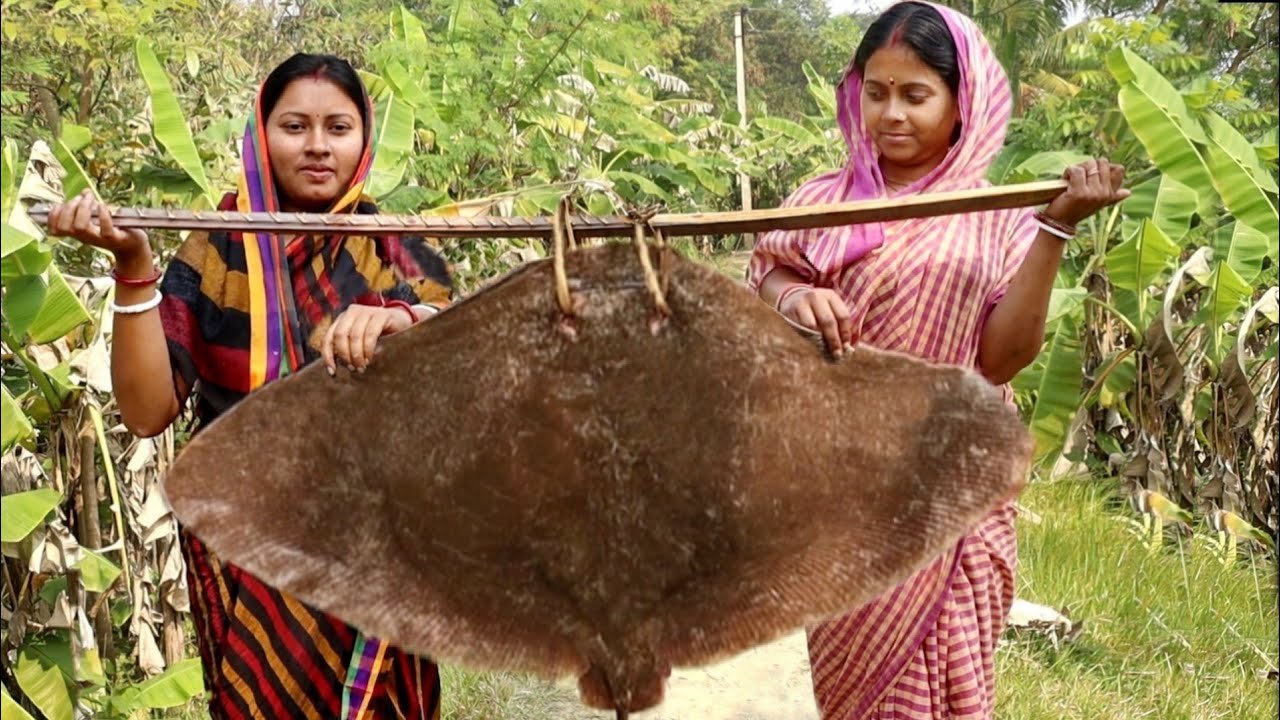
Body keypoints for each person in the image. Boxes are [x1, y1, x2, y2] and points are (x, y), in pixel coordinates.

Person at [748, 3, 1127, 718]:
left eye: (916, 94)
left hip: (951, 495)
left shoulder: (996, 217)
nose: (891, 113)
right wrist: (792, 296)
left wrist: (1056, 228)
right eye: (876, 91)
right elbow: (767, 271)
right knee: (858, 687)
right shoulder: (821, 205)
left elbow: (1002, 358)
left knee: (942, 683)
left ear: (962, 102)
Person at [47, 54, 452, 719]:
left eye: (338, 127)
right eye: (295, 126)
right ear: (262, 135)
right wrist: (132, 264)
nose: (318, 146)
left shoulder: (395, 248)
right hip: (248, 556)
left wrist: (405, 318)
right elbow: (149, 411)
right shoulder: (216, 248)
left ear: (365, 139)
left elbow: (459, 355)